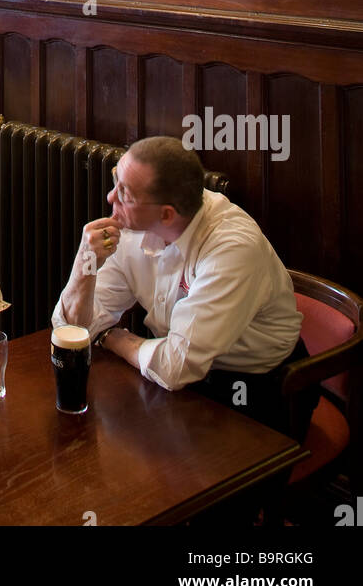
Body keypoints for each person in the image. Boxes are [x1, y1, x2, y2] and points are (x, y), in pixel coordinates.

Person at [53, 136, 318, 441]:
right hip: (179, 375)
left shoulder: (231, 250)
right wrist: (84, 262)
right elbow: (74, 330)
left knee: (187, 480)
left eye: (124, 193)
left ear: (166, 214)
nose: (111, 197)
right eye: (116, 179)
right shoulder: (131, 227)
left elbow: (175, 366)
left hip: (255, 386)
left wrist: (114, 338)